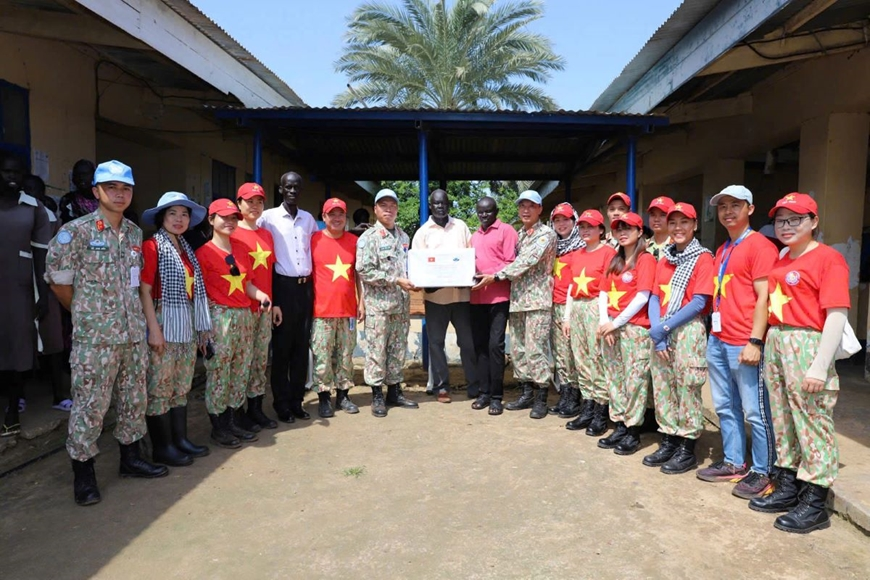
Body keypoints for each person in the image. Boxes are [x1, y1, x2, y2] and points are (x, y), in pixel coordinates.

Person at [45, 160, 168, 506]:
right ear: (97, 191)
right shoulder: (77, 232)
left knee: (133, 401)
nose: (119, 193)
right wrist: (87, 313)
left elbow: (135, 285)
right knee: (90, 407)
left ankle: (131, 459)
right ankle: (84, 475)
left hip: (131, 336)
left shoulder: (132, 233)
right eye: (111, 187)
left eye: (125, 188)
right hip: (95, 341)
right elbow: (59, 283)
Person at [748, 193, 849, 534]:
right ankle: (788, 483)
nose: (786, 226)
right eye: (780, 220)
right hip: (778, 339)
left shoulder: (828, 258)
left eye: (795, 219)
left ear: (813, 222)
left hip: (807, 341)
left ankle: (815, 499)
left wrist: (820, 365)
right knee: (783, 418)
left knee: (812, 420)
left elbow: (836, 313)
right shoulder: (780, 257)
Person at [698, 185, 777, 500]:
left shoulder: (759, 246)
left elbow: (764, 298)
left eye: (735, 205)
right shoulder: (723, 248)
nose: (728, 211)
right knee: (724, 406)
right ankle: (734, 461)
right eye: (722, 206)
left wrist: (755, 340)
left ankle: (763, 470)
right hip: (718, 339)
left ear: (750, 209)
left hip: (744, 341)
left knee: (755, 410)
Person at [139, 192, 212, 466]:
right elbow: (144, 291)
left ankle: (179, 440)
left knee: (180, 385)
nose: (179, 219)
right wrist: (153, 329)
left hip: (186, 325)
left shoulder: (186, 249)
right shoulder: (152, 247)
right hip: (164, 322)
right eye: (172, 214)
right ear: (162, 218)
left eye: (184, 214)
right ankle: (163, 447)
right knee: (160, 386)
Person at [473, 190, 556, 419]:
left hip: (537, 300)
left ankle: (541, 398)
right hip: (518, 300)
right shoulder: (520, 234)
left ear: (540, 209)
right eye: (522, 206)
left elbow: (525, 262)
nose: (526, 210)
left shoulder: (545, 234)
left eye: (531, 206)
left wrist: (495, 276)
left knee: (535, 349)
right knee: (519, 349)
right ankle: (526, 392)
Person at [196, 199, 271, 448]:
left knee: (240, 369)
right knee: (219, 371)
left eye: (233, 218)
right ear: (211, 219)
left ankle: (232, 420)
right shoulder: (203, 253)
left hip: (243, 316)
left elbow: (247, 282)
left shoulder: (239, 248)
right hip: (219, 317)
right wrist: (203, 330)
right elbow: (199, 294)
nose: (229, 222)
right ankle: (219, 426)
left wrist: (260, 295)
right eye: (223, 217)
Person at [646, 203, 714, 473]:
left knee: (687, 387)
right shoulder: (665, 258)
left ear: (695, 225)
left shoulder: (703, 258)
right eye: (672, 222)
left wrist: (662, 329)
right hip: (661, 329)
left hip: (686, 331)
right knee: (663, 386)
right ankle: (668, 439)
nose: (677, 228)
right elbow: (654, 296)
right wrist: (658, 331)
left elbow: (699, 302)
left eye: (684, 222)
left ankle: (686, 447)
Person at [257, 171, 317, 423]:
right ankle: (281, 404)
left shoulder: (308, 219)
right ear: (280, 189)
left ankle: (296, 401)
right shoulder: (267, 218)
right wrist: (274, 299)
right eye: (288, 187)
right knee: (281, 350)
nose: (292, 191)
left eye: (296, 187)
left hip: (305, 289)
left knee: (301, 349)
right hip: (282, 287)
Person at [595, 212, 656, 453]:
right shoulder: (615, 260)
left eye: (628, 228)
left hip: (634, 328)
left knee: (635, 381)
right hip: (611, 326)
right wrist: (605, 322)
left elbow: (643, 297)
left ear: (640, 232)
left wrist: (615, 323)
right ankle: (619, 424)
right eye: (619, 228)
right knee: (614, 377)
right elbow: (603, 292)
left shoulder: (645, 260)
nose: (622, 232)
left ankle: (633, 430)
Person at [1, 155, 52, 437]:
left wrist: (42, 296)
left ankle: (12, 410)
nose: (11, 177)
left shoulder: (34, 209)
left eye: (17, 173)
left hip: (19, 287)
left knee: (16, 346)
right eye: (6, 171)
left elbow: (41, 256)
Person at [356, 189, 419, 417]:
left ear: (397, 209)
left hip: (400, 305)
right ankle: (377, 395)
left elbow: (409, 267)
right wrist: (396, 280)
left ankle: (394, 391)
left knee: (397, 349)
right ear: (375, 209)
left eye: (392, 205)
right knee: (376, 350)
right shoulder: (368, 238)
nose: (388, 209)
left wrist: (417, 280)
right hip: (378, 307)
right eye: (383, 205)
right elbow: (364, 271)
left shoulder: (404, 237)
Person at [411, 188, 477, 403]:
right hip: (435, 299)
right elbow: (417, 267)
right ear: (430, 206)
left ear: (449, 205)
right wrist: (426, 285)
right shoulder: (422, 233)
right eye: (436, 203)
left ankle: (474, 385)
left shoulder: (461, 227)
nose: (440, 207)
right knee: (436, 343)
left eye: (444, 203)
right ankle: (441, 387)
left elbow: (470, 257)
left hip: (461, 298)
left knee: (467, 343)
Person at [563, 210, 616, 432]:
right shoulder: (576, 254)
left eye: (590, 226)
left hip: (596, 305)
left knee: (598, 359)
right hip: (577, 307)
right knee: (581, 358)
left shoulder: (609, 253)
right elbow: (570, 288)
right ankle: (587, 406)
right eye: (582, 226)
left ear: (601, 229)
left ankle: (601, 411)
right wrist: (567, 317)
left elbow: (610, 287)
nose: (585, 230)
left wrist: (604, 319)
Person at [310, 198, 364, 416]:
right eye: (331, 214)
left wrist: (362, 302)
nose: (336, 218)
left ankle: (343, 396)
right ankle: (324, 397)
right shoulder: (313, 240)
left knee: (345, 356)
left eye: (340, 214)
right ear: (324, 217)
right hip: (321, 311)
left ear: (346, 217)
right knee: (322, 357)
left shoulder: (353, 241)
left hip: (347, 310)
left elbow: (358, 275)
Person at [22, 174, 71, 412]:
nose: (29, 194)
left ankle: (59, 395)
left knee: (53, 343)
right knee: (20, 345)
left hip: (47, 287)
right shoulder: (15, 216)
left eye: (34, 190)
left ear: (42, 194)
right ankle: (18, 395)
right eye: (26, 189)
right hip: (20, 287)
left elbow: (59, 259)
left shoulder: (50, 219)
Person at [232, 183, 279, 431]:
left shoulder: (266, 234)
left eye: (259, 201)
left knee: (260, 361)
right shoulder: (231, 233)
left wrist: (275, 302)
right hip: (240, 309)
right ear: (239, 203)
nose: (254, 206)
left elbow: (270, 272)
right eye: (249, 201)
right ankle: (236, 412)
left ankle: (256, 409)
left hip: (265, 308)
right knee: (241, 362)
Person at [469, 196, 518, 415]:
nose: (484, 215)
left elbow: (511, 263)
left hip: (498, 298)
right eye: (480, 211)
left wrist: (491, 276)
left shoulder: (507, 231)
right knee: (480, 346)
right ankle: (484, 393)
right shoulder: (474, 236)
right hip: (476, 299)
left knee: (495, 346)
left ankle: (497, 396)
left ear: (496, 211)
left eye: (488, 211)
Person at [548, 202, 584, 418]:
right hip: (554, 305)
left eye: (566, 219)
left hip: (572, 308)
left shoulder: (581, 247)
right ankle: (566, 394)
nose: (561, 224)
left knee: (573, 353)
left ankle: (578, 397)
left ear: (575, 221)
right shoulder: (552, 247)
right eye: (557, 220)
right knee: (560, 354)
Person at [646, 196, 674, 260]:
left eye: (662, 215)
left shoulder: (678, 246)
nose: (656, 219)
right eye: (653, 215)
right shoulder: (642, 246)